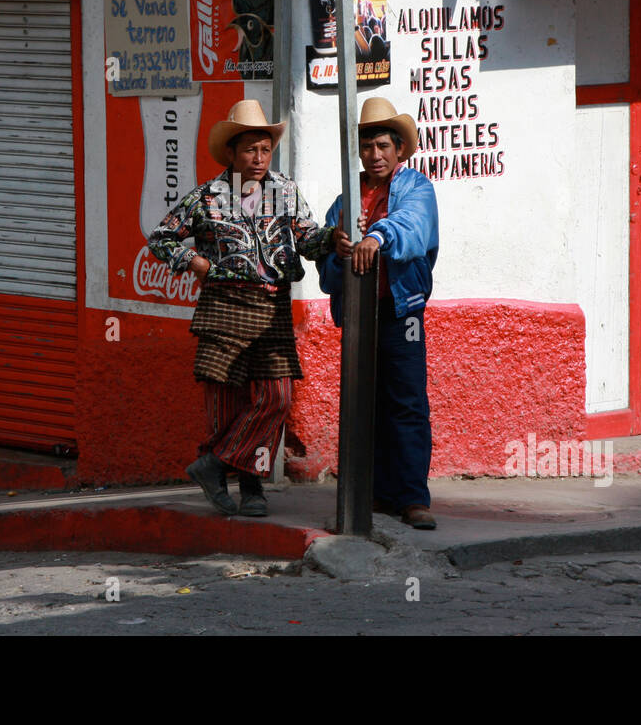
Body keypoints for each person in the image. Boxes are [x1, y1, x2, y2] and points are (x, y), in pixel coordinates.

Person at [148, 99, 353, 516]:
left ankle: (213, 465)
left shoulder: (285, 191)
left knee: (277, 397)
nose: (259, 159)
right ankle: (249, 489)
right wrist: (194, 261)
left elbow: (308, 239)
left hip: (271, 309)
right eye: (249, 150)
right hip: (224, 309)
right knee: (227, 405)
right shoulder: (206, 198)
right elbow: (160, 237)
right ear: (231, 153)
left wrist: (331, 238)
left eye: (265, 150)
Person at [319, 97, 440, 529]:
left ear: (399, 150)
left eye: (383, 146)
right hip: (358, 316)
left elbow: (413, 228)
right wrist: (335, 252)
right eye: (368, 146)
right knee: (362, 404)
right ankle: (370, 494)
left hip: (402, 312)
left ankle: (411, 498)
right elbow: (328, 272)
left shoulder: (417, 189)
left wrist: (376, 235)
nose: (375, 154)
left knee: (405, 401)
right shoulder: (344, 201)